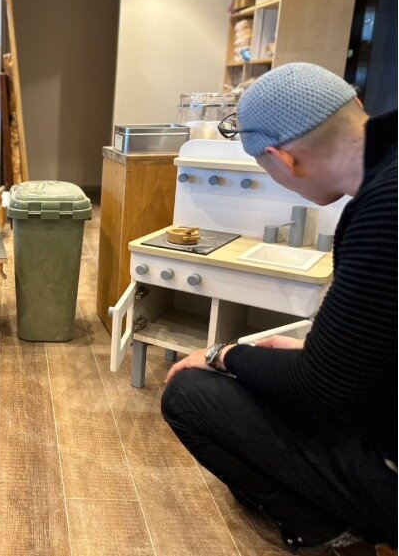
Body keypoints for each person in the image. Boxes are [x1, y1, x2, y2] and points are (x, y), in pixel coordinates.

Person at [161, 63, 397, 554]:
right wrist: (323, 357)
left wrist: (223, 354)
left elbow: (323, 388)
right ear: (355, 103)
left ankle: (336, 537)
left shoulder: (383, 212)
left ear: (283, 160)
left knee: (190, 394)